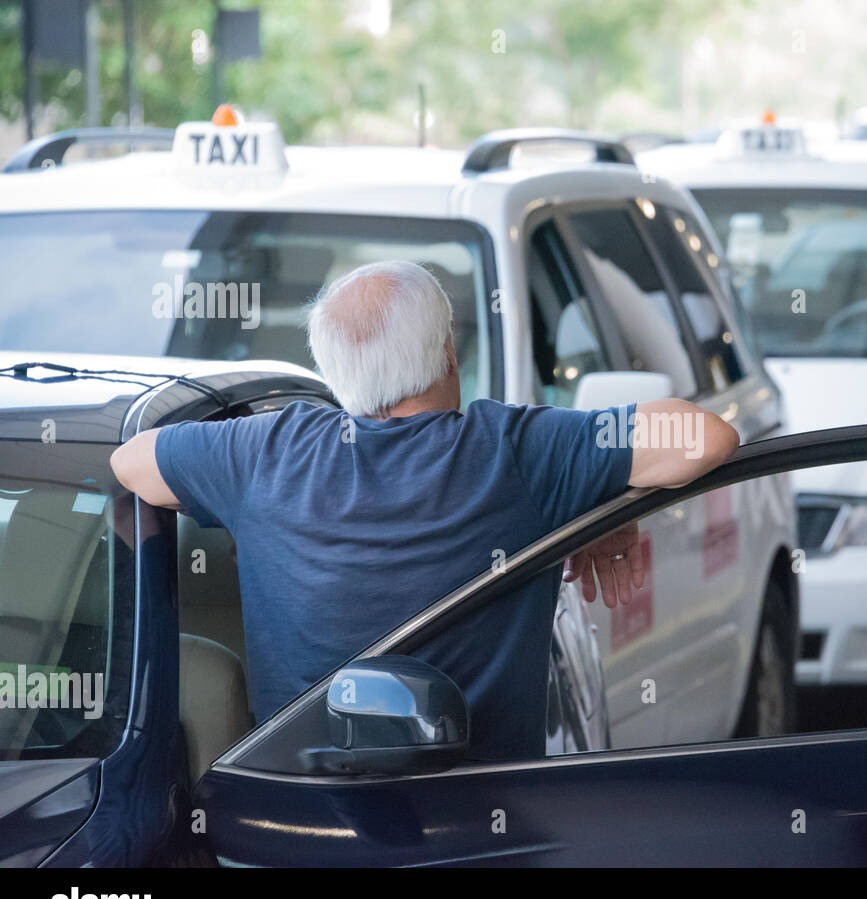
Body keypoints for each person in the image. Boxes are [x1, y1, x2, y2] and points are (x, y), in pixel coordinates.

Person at [110, 260, 739, 760]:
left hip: (292, 826)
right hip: (472, 829)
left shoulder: (265, 452)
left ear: (335, 374)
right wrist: (607, 491)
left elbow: (130, 464)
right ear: (446, 353)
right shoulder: (516, 453)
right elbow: (706, 438)